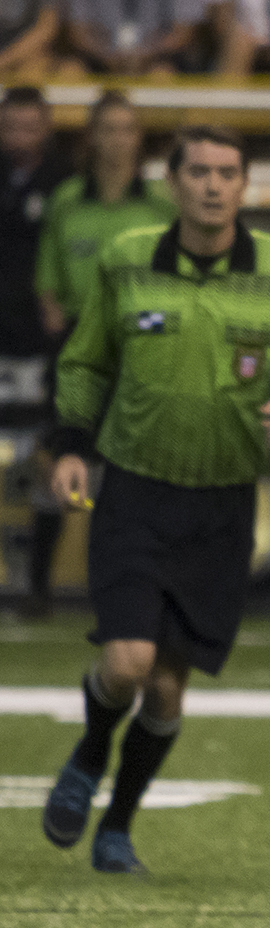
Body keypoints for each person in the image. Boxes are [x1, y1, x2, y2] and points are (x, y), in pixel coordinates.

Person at [39, 125, 270, 875]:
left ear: (244, 185)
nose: (212, 185)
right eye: (197, 171)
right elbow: (85, 361)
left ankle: (118, 828)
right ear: (171, 183)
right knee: (129, 663)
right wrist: (71, 443)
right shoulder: (126, 259)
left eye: (227, 172)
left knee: (167, 688)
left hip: (224, 504)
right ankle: (89, 748)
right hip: (135, 492)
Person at [35, 92, 177, 344]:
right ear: (91, 136)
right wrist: (51, 309)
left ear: (138, 137)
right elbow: (48, 266)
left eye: (127, 130)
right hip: (79, 326)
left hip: (145, 327)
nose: (118, 140)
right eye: (108, 130)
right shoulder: (66, 198)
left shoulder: (164, 202)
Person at [1, 87, 66, 618]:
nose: (19, 135)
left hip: (41, 343)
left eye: (29, 124)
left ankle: (37, 580)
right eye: (11, 124)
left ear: (45, 127)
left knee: (42, 457)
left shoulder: (64, 185)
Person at [54, 0, 205, 76]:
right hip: (99, 59)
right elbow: (78, 33)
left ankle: (162, 137)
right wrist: (108, 56)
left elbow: (182, 34)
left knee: (161, 76)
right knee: (69, 72)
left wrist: (145, 54)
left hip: (158, 59)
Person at [0, 0, 58, 77]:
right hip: (9, 54)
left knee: (34, 68)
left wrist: (5, 60)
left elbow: (46, 28)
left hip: (21, 53)